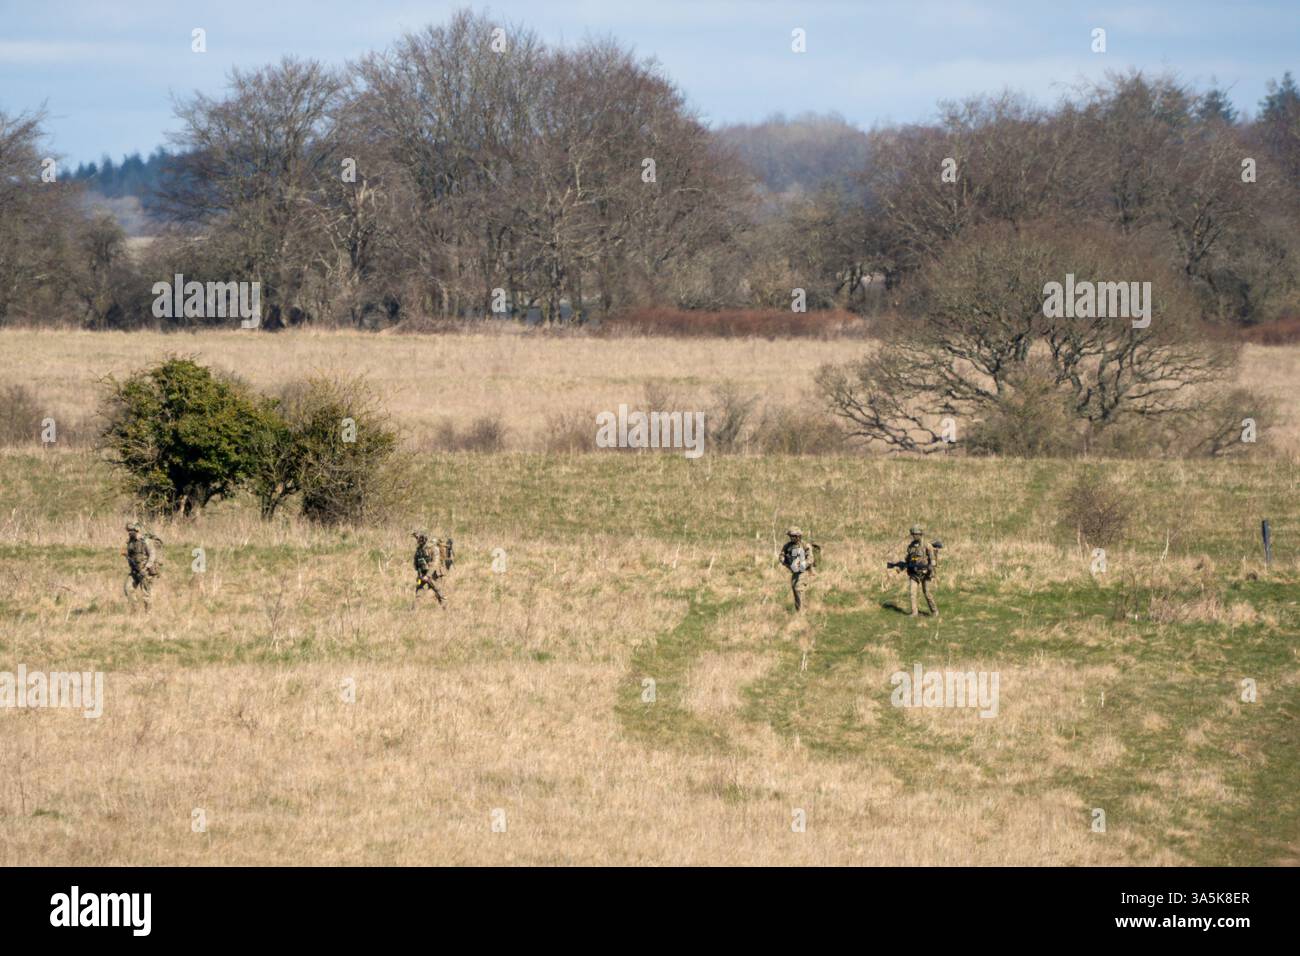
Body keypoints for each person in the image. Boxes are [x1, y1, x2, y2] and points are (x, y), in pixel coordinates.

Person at [779, 527, 818, 611]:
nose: (791, 538)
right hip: (794, 572)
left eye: (793, 536)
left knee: (798, 589)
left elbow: (810, 559)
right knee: (795, 589)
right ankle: (799, 611)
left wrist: (802, 565)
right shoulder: (787, 546)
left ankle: (802, 612)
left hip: (804, 572)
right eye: (790, 536)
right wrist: (783, 561)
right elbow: (782, 555)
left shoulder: (805, 545)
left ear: (798, 536)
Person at [904, 524, 938, 617]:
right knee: (912, 593)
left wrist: (930, 569)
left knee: (927, 593)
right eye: (913, 534)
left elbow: (933, 559)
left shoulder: (927, 545)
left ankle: (934, 611)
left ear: (920, 534)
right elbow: (909, 558)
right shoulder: (911, 546)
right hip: (914, 574)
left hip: (925, 573)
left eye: (916, 534)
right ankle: (914, 612)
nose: (914, 535)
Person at [412, 530, 448, 607]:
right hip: (422, 574)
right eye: (417, 538)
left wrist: (428, 575)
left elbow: (435, 562)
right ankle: (413, 611)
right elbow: (416, 563)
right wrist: (420, 574)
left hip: (434, 574)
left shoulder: (433, 548)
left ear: (424, 538)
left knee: (439, 591)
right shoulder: (419, 550)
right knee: (418, 591)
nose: (418, 539)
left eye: (419, 538)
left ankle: (446, 609)